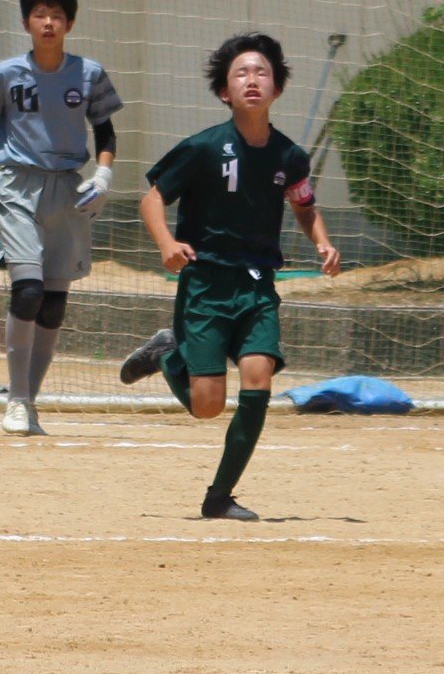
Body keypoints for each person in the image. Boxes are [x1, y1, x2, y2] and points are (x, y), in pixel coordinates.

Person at [117, 32, 340, 521]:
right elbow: (152, 198)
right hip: (207, 284)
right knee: (207, 407)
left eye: (262, 71)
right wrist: (166, 244)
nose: (252, 79)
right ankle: (167, 354)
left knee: (258, 379)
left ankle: (219, 497)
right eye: (241, 73)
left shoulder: (289, 157)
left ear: (277, 88)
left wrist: (321, 239)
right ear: (225, 91)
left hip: (258, 286)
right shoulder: (202, 148)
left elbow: (303, 203)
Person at [0, 0, 122, 436]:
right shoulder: (5, 75)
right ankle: (14, 399)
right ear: (26, 22)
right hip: (17, 186)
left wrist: (104, 176)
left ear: (69, 23)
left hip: (68, 190)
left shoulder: (89, 74)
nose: (48, 22)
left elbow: (106, 133)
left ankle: (28, 403)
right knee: (27, 292)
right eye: (39, 14)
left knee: (53, 304)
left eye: (56, 15)